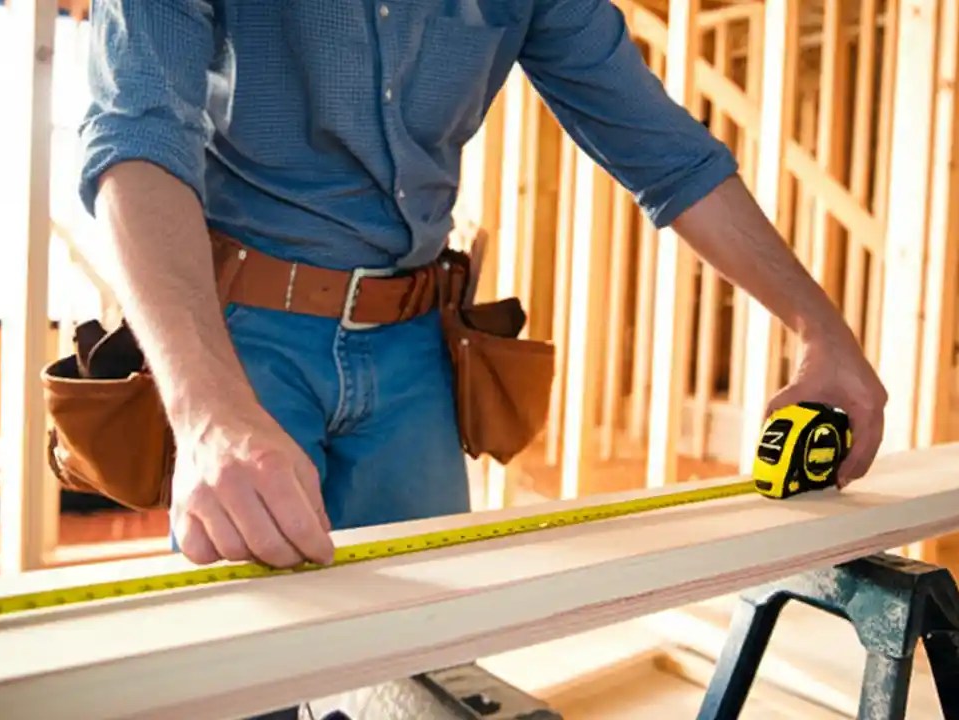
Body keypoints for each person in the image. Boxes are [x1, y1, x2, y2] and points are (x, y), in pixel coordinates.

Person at [78, 0, 886, 693]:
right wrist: (210, 411)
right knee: (247, 680)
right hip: (239, 349)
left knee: (425, 672)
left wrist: (822, 330)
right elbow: (135, 136)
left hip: (415, 349)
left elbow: (666, 154)